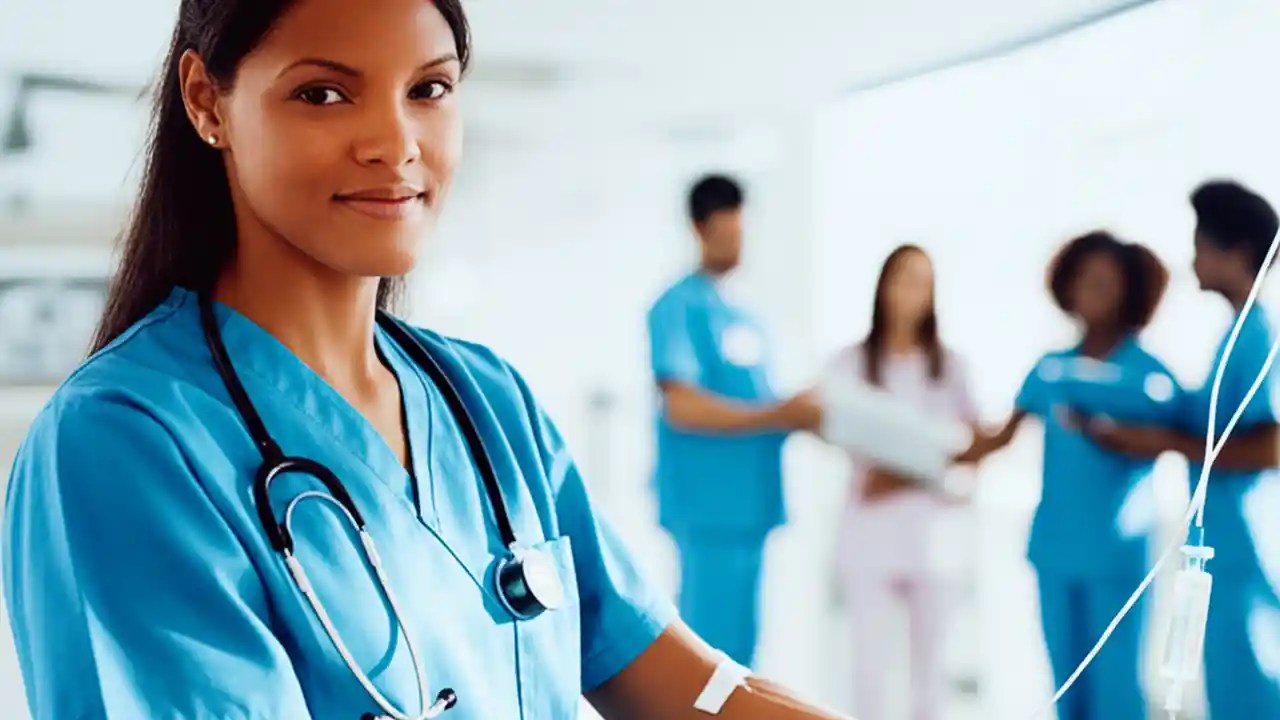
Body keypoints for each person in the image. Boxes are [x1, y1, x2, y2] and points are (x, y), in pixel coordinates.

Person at [0, 2, 849, 718]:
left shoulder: (486, 401)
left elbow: (680, 682)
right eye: (325, 93)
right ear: (206, 102)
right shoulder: (123, 443)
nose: (394, 142)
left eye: (429, 89)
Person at [1082, 181, 1280, 719]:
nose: (1191, 256)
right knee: (1229, 680)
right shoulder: (1235, 334)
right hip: (1222, 543)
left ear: (1234, 254)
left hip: (1244, 545)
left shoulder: (1259, 335)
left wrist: (1162, 441)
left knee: (1251, 685)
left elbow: (1270, 445)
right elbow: (1208, 417)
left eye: (1199, 243)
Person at [962, 231, 1173, 720]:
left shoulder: (1148, 374)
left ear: (1130, 290)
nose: (1090, 291)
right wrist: (921, 446)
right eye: (1082, 280)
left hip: (1118, 554)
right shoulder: (1050, 368)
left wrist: (1114, 433)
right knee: (1068, 687)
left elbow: (1179, 436)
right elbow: (997, 437)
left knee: (1117, 690)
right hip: (1055, 549)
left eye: (1105, 282)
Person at [646, 174, 821, 670]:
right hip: (708, 504)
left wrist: (799, 414)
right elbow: (682, 405)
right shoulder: (677, 307)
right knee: (708, 653)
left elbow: (758, 399)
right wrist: (778, 414)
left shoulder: (746, 314)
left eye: (742, 233)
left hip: (751, 504)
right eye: (726, 233)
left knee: (742, 651)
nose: (737, 244)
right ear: (699, 228)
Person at [826, 244, 978, 720]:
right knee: (868, 669)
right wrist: (928, 462)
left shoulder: (953, 368)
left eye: (921, 282)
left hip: (932, 540)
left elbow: (969, 452)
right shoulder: (848, 364)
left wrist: (903, 471)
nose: (909, 292)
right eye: (901, 279)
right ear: (882, 287)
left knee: (931, 674)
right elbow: (839, 435)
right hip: (870, 537)